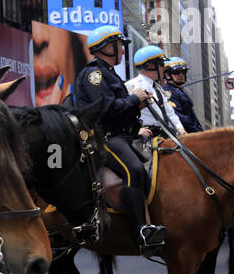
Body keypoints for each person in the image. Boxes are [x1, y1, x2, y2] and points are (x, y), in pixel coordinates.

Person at [71, 26, 167, 255]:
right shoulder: (94, 74)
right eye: (120, 45)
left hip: (125, 135)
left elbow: (119, 109)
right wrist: (134, 99)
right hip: (105, 138)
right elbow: (104, 109)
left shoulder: (111, 74)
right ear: (107, 46)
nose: (123, 51)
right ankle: (140, 230)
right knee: (134, 170)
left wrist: (138, 107)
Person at [126, 45, 186, 140]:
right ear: (150, 66)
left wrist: (180, 128)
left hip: (164, 136)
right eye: (162, 64)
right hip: (145, 138)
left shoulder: (158, 88)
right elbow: (124, 112)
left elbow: (169, 113)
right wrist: (136, 130)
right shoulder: (133, 86)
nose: (164, 68)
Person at [163, 57, 204, 133]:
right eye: (176, 72)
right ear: (167, 75)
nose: (181, 75)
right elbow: (180, 117)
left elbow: (191, 117)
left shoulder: (178, 90)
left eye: (183, 72)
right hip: (184, 136)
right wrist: (196, 133)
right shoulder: (168, 93)